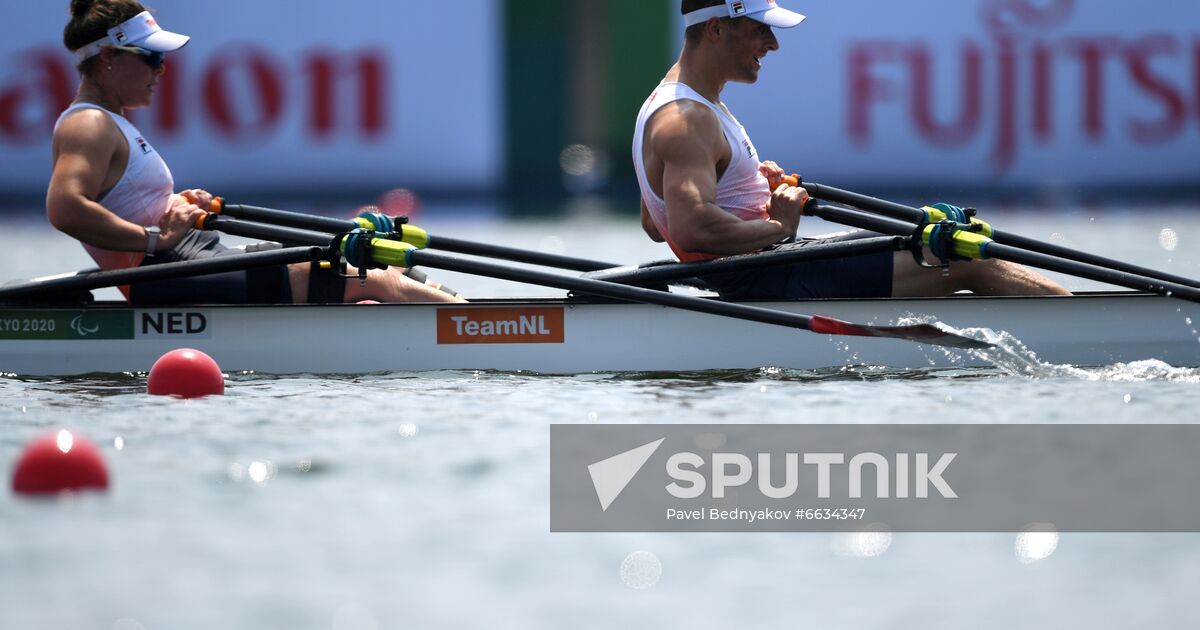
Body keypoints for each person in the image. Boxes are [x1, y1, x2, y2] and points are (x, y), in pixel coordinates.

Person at [633, 0, 1070, 300]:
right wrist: (778, 227)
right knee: (960, 253)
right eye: (759, 29)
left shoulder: (669, 104)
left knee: (946, 236)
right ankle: (1097, 328)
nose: (773, 43)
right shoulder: (687, 121)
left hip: (759, 270)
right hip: (765, 277)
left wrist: (751, 197)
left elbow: (656, 222)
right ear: (716, 28)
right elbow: (691, 230)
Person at [47, 0, 462, 305]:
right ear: (107, 57)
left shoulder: (110, 121)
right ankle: (489, 333)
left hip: (193, 254)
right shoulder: (87, 124)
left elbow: (126, 200)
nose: (162, 69)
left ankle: (467, 319)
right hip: (164, 273)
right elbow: (66, 210)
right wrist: (155, 238)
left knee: (385, 262)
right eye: (152, 56)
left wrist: (176, 202)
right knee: (372, 278)